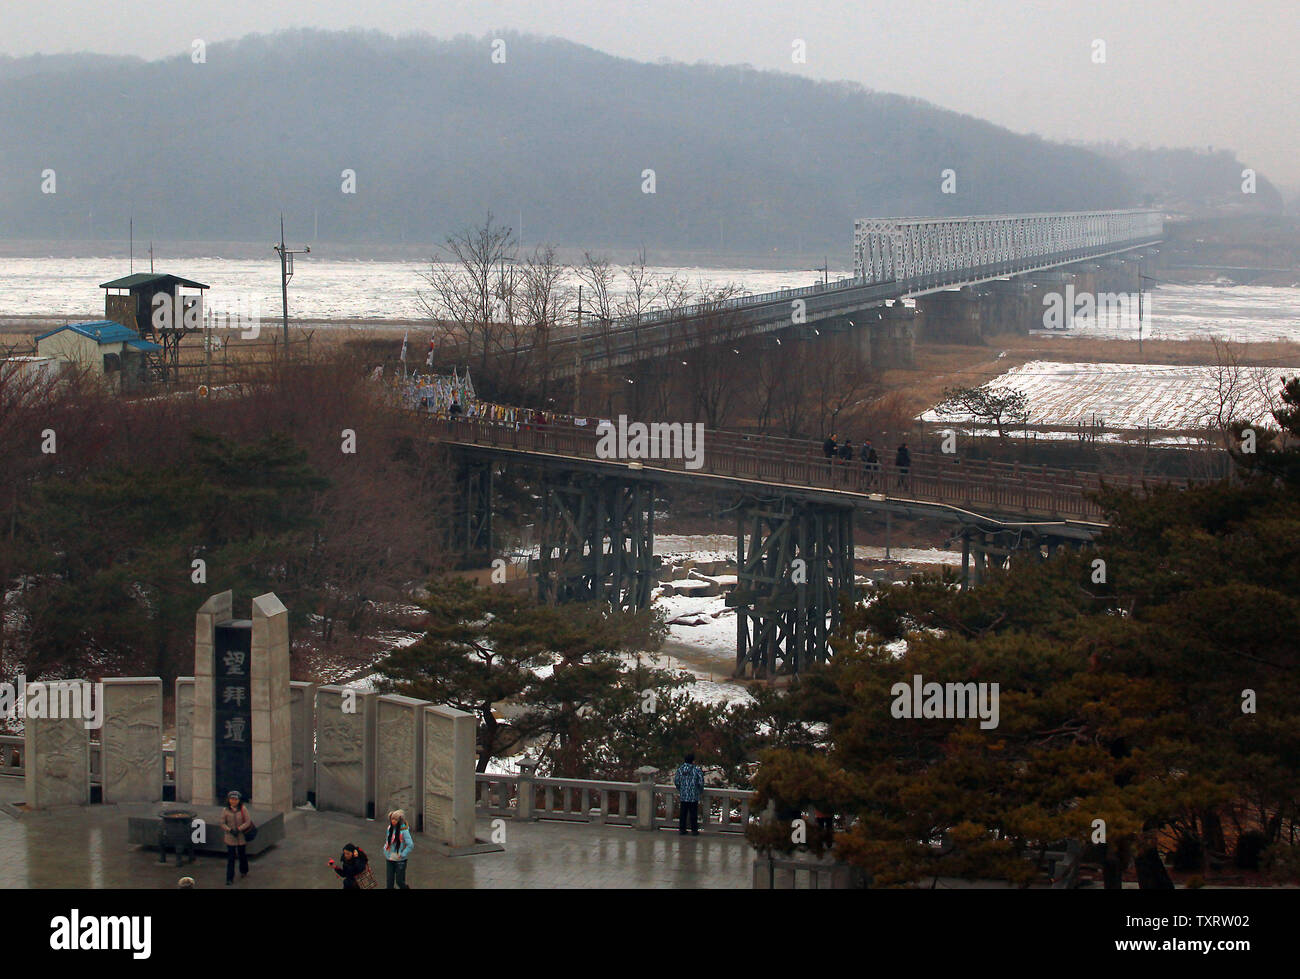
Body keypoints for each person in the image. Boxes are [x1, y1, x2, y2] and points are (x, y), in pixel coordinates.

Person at [220, 790, 253, 885]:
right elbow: (222, 823)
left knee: (242, 855)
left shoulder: (243, 809)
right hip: (230, 837)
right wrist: (229, 830)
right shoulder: (225, 810)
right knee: (231, 858)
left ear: (239, 800)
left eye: (235, 799)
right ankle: (229, 878)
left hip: (241, 837)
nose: (233, 801)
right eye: (231, 799)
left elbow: (247, 822)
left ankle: (244, 870)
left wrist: (239, 829)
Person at [673, 753, 705, 836]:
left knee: (683, 813)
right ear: (693, 761)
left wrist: (681, 789)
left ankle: (682, 829)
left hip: (683, 795)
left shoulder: (680, 769)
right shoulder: (696, 770)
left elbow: (676, 781)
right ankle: (694, 830)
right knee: (693, 813)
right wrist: (699, 790)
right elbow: (701, 782)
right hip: (693, 795)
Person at [383, 810, 414, 889]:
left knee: (400, 881)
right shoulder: (389, 828)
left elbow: (410, 845)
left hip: (400, 859)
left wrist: (403, 854)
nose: (393, 821)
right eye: (392, 819)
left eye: (395, 819)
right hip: (390, 857)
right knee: (389, 882)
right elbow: (387, 840)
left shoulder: (404, 831)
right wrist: (385, 849)